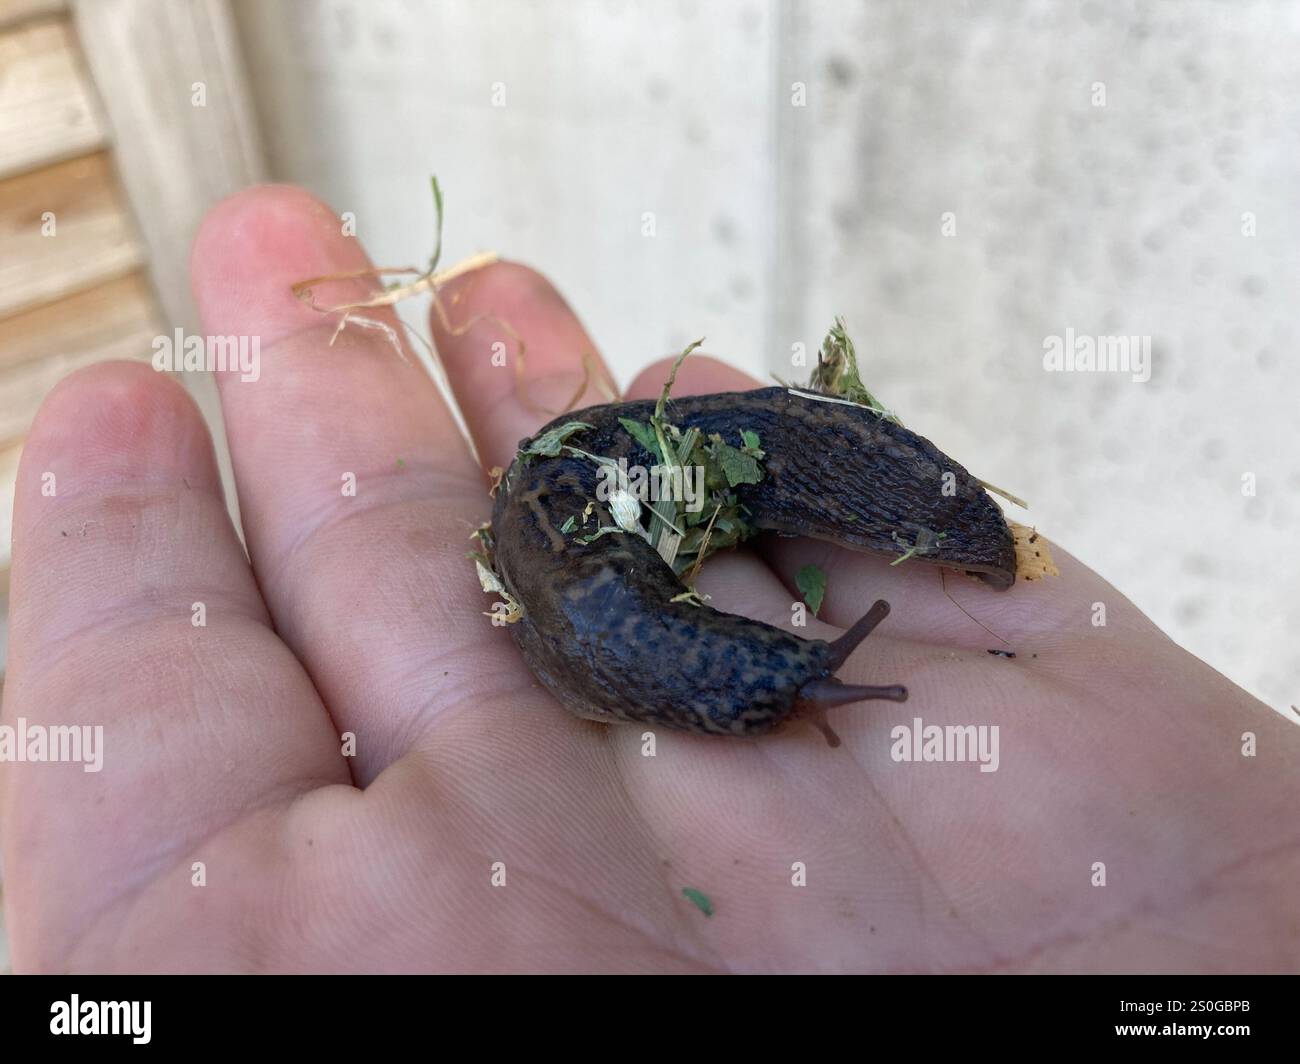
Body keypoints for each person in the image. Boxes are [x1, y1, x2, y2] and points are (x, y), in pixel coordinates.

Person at [2, 186, 1296, 973]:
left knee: (800, 447)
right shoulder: (567, 574)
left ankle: (936, 515)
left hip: (672, 491)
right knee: (752, 486)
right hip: (617, 535)